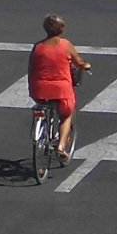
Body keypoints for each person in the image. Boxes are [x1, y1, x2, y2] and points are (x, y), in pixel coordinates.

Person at [28, 15, 90, 160]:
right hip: (61, 90)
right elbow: (79, 61)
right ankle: (61, 146)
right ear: (62, 28)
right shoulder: (65, 45)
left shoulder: (38, 47)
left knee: (43, 106)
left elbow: (31, 68)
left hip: (39, 89)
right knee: (66, 115)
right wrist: (85, 65)